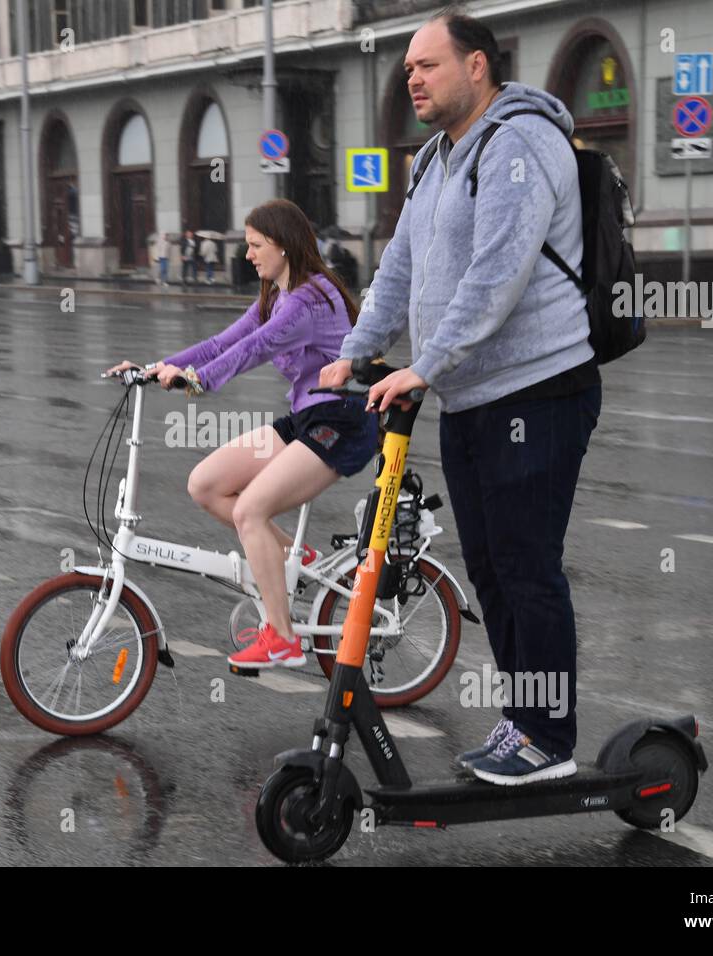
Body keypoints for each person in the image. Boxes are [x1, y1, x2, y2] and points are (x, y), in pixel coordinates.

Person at [321, 7, 601, 786]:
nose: (412, 77)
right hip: (474, 397)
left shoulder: (520, 143)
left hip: (540, 390)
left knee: (526, 565)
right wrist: (355, 352)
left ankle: (549, 737)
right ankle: (525, 721)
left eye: (428, 64)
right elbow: (400, 266)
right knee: (489, 564)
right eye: (408, 67)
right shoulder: (436, 157)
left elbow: (500, 271)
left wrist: (427, 364)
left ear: (477, 66)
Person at [107, 199, 377, 669]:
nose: (248, 254)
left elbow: (255, 349)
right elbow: (222, 342)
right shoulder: (276, 294)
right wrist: (153, 369)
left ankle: (283, 637)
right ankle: (295, 553)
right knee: (206, 485)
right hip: (307, 418)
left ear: (284, 246)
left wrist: (197, 380)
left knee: (251, 508)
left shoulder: (307, 300)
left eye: (255, 245)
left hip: (342, 421)